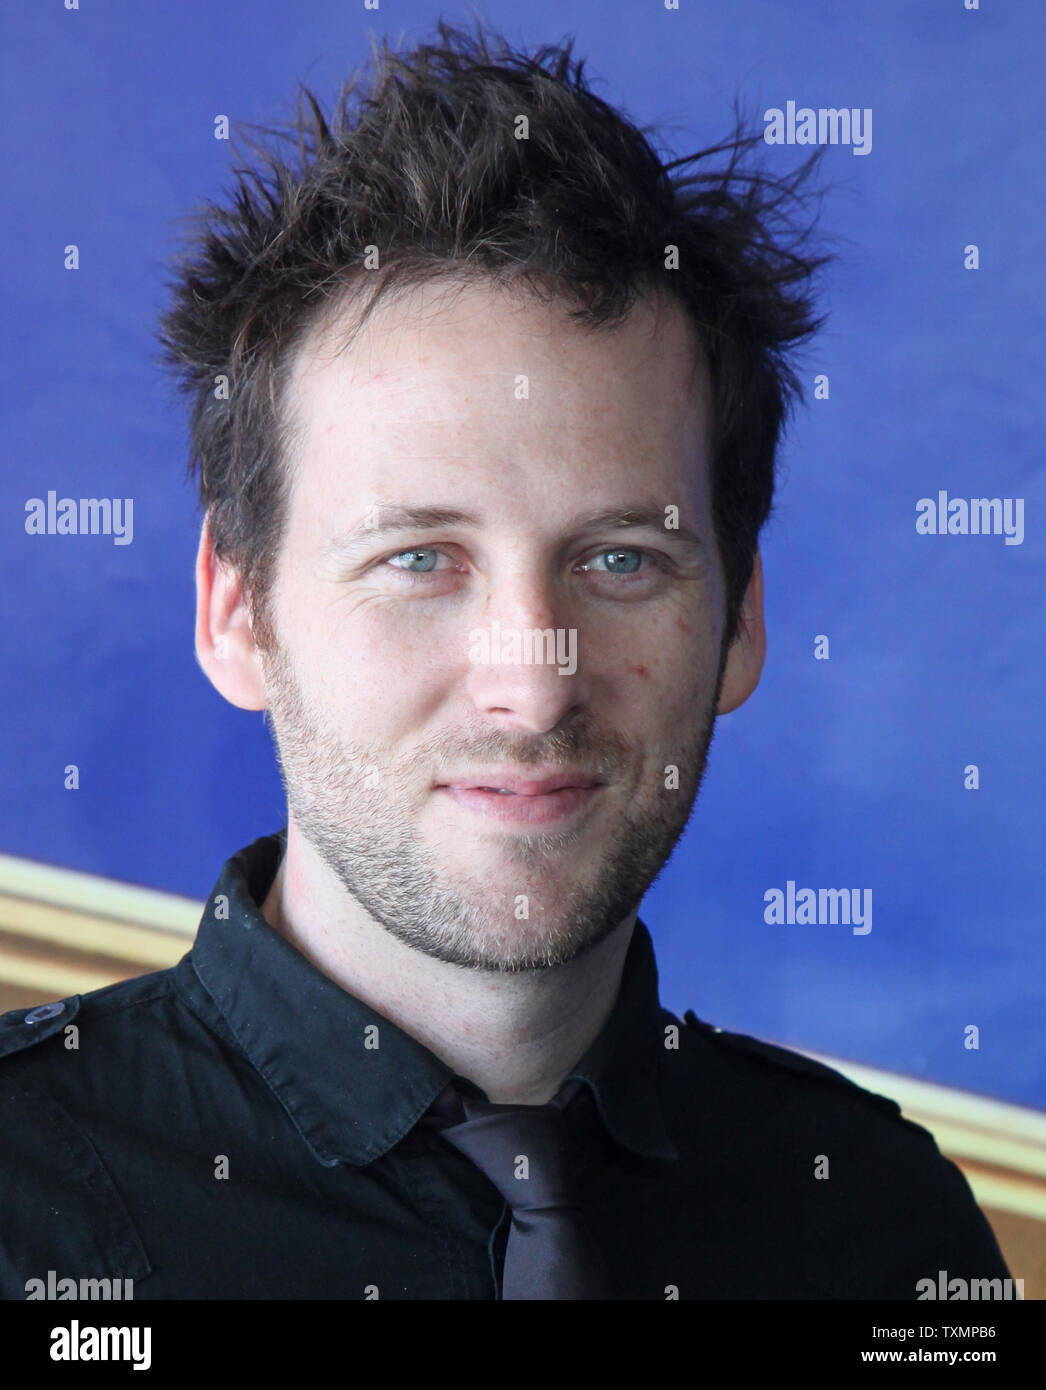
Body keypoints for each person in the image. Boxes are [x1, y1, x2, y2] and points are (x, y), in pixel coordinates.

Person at [0, 20, 1010, 1300]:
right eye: (419, 558)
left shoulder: (882, 1228)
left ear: (742, 619)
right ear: (236, 612)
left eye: (620, 559)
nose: (532, 686)